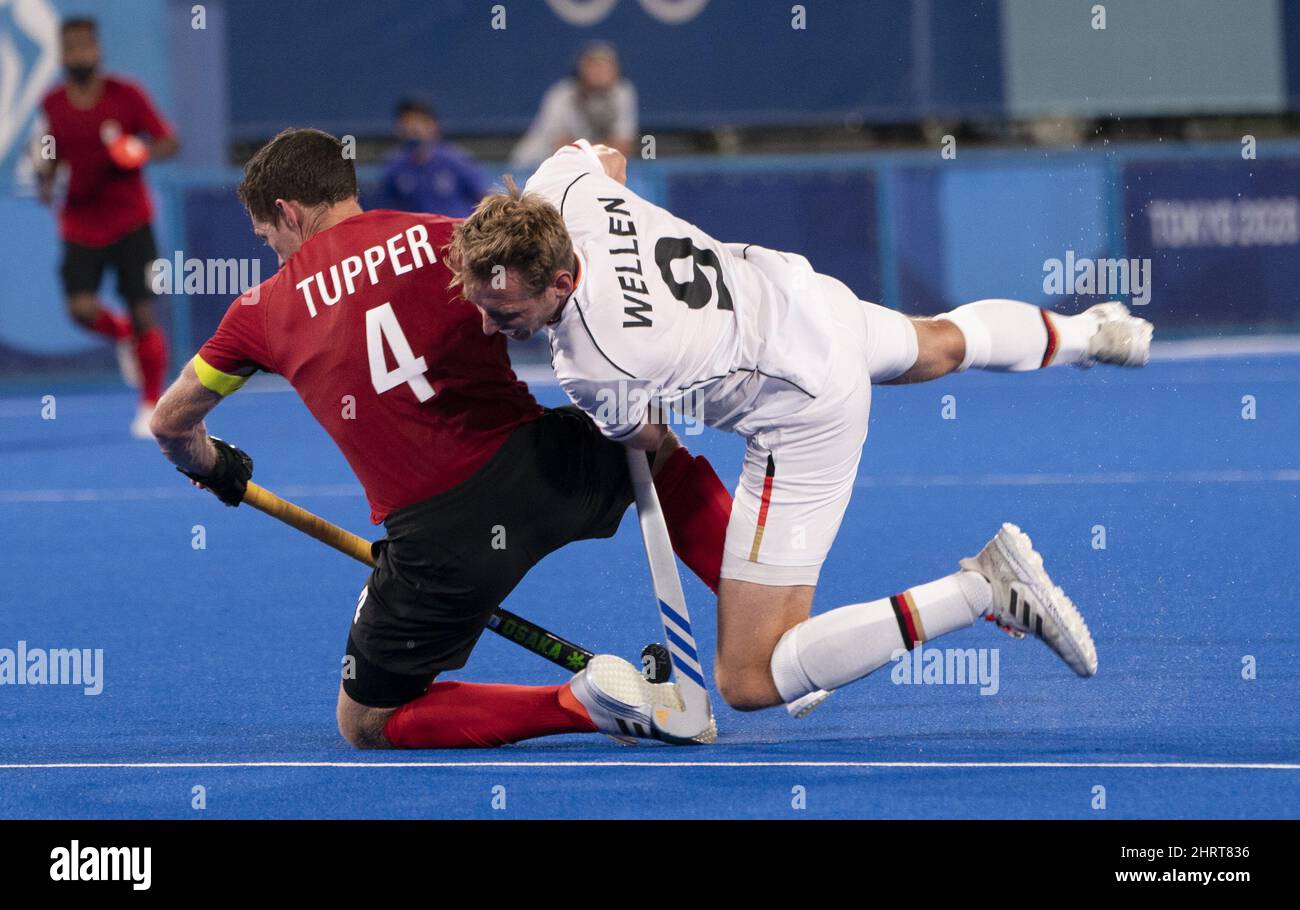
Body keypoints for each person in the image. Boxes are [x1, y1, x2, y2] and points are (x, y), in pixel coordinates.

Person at [448, 139, 1157, 715]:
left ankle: (982, 590)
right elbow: (609, 159)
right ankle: (1092, 333)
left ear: (563, 282)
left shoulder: (592, 361)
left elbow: (646, 440)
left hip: (806, 410)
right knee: (941, 343)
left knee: (751, 677)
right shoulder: (565, 189)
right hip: (804, 298)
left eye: (506, 315)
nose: (489, 325)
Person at [149, 129, 733, 749]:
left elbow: (170, 423)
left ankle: (577, 704)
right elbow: (581, 220)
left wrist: (216, 466)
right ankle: (759, 611)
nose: (269, 248)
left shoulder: (258, 311)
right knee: (648, 448)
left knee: (368, 721)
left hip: (442, 545)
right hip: (546, 470)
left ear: (288, 212)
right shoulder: (450, 238)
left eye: (266, 233)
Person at [34, 17, 178, 438]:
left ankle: (151, 405)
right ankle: (123, 337)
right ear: (62, 55)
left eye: (85, 47)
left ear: (97, 51)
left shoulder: (127, 95)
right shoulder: (53, 103)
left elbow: (169, 141)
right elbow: (51, 153)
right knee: (80, 309)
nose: (78, 55)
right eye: (70, 48)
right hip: (80, 223)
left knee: (143, 312)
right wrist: (45, 179)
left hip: (131, 220)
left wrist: (139, 150)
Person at [509, 42, 637, 168]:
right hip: (534, 165)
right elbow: (561, 148)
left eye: (605, 66)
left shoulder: (623, 92)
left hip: (585, 168)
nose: (599, 72)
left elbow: (623, 146)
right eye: (593, 66)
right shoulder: (561, 95)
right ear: (580, 69)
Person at [378, 98, 487, 218]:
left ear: (433, 126)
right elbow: (386, 208)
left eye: (419, 122)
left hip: (457, 231)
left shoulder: (456, 160)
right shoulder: (393, 165)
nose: (412, 128)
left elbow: (483, 197)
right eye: (406, 123)